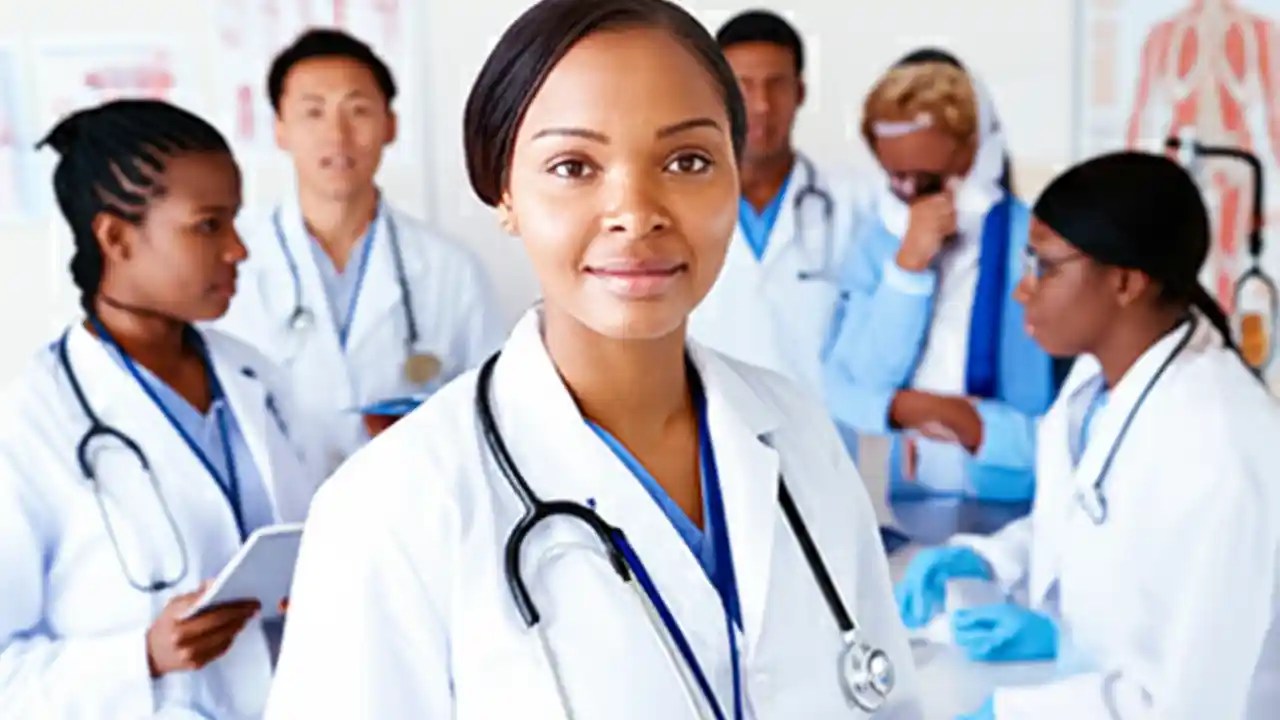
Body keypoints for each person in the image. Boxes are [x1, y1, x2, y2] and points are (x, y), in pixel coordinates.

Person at [263, 1, 922, 717]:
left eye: (687, 160)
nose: (636, 212)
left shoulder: (798, 434)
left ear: (735, 174)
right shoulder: (390, 506)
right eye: (574, 165)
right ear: (504, 193)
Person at [897, 151, 1280, 720]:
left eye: (1045, 268)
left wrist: (1014, 714)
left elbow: (1196, 702)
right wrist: (993, 558)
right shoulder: (1099, 379)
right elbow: (1088, 513)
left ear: (1125, 281)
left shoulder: (1221, 444)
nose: (1023, 291)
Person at [0, 100, 324, 718]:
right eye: (208, 226)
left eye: (235, 222)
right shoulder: (30, 425)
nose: (237, 250)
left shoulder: (257, 378)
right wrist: (140, 657)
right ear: (116, 237)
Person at [212, 28, 504, 478]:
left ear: (390, 125)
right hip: (281, 512)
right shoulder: (232, 260)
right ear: (280, 129)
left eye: (358, 110)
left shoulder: (450, 271)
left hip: (411, 511)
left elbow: (494, 413)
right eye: (313, 112)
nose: (337, 134)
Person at [822, 53, 1059, 542]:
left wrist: (973, 425)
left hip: (1022, 506)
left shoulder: (1040, 246)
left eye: (927, 180)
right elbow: (849, 383)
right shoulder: (879, 246)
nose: (910, 194)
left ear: (976, 153)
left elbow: (1071, 426)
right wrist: (909, 267)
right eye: (896, 179)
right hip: (913, 499)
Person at [687, 10, 871, 404]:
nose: (762, 105)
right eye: (744, 86)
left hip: (821, 440)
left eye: (776, 85)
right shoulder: (680, 205)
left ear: (800, 93)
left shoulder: (856, 203)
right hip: (710, 431)